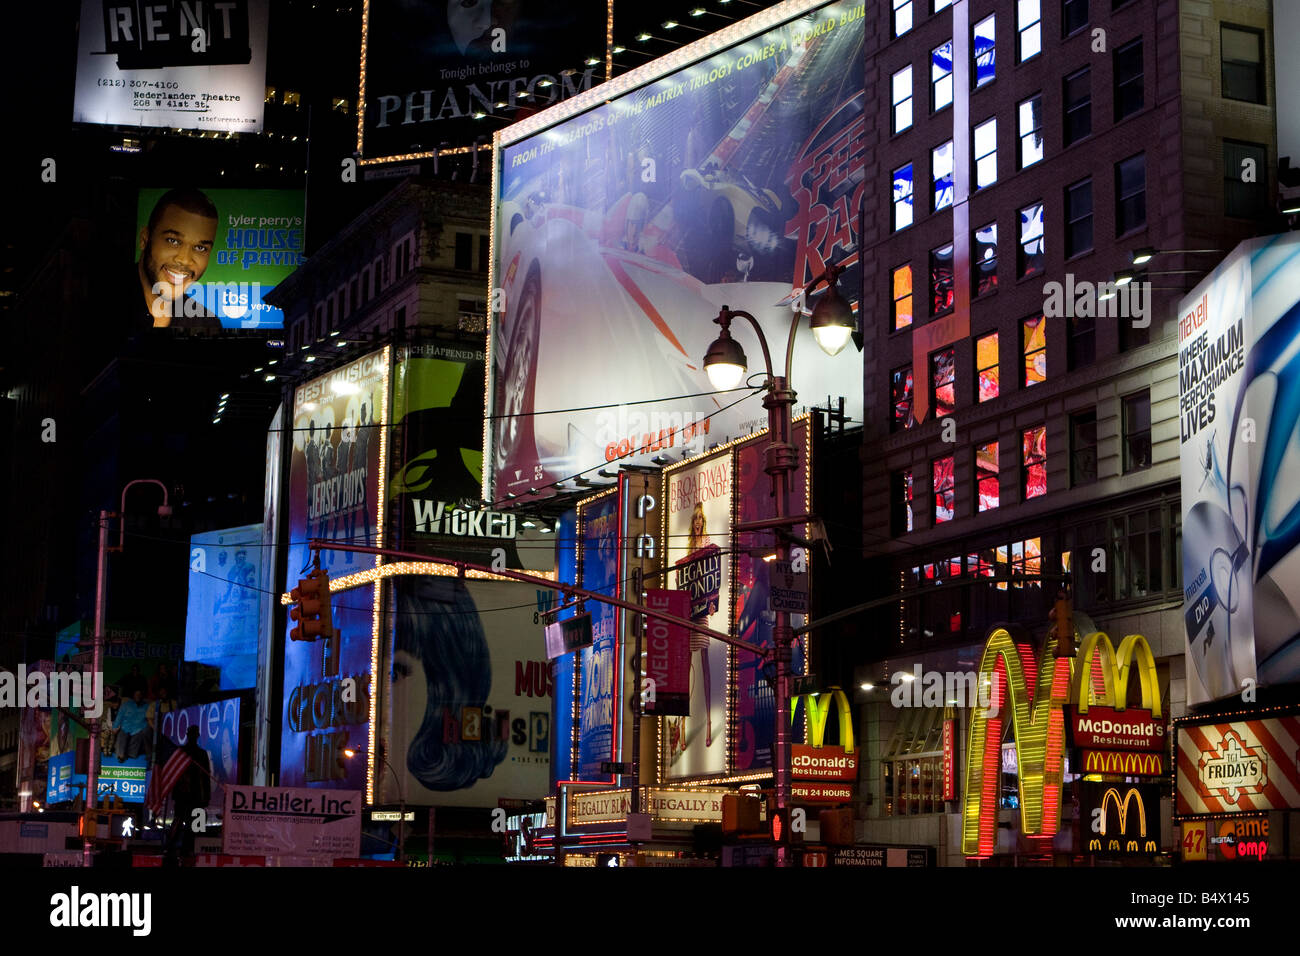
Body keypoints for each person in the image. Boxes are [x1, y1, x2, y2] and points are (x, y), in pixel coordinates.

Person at [133, 187, 223, 331]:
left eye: (200, 248)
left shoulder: (207, 325)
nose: (185, 260)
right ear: (145, 238)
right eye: (173, 241)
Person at [167, 726, 212, 863]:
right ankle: (178, 848)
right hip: (190, 795)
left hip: (192, 796)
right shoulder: (188, 753)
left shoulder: (190, 753)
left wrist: (206, 796)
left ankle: (179, 848)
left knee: (188, 824)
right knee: (184, 823)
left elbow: (205, 776)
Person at [113, 688, 152, 761]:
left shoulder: (146, 706)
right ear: (133, 695)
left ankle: (131, 755)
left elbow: (149, 717)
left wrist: (145, 726)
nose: (138, 696)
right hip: (126, 727)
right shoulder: (126, 705)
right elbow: (119, 716)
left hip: (139, 728)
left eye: (140, 695)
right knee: (122, 736)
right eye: (136, 694)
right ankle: (120, 756)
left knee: (133, 752)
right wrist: (115, 727)